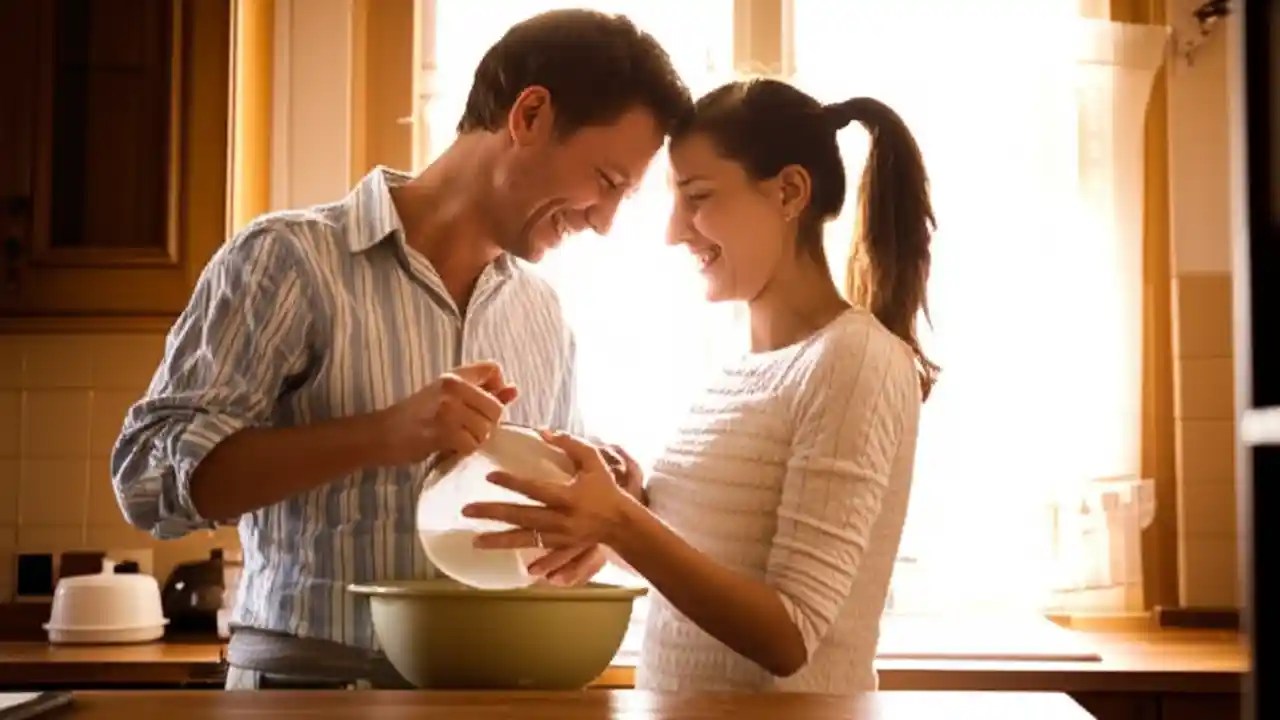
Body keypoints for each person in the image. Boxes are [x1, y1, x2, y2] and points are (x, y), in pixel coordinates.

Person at [110, 9, 691, 690]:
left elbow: (540, 526)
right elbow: (147, 478)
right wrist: (384, 433)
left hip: (490, 693)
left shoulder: (542, 312)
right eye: (608, 181)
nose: (603, 220)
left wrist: (590, 523)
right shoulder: (287, 260)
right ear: (530, 114)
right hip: (305, 697)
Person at [462, 78, 938, 693]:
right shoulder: (740, 369)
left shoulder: (855, 360)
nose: (674, 230)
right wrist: (626, 508)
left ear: (790, 191)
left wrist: (622, 524)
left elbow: (787, 636)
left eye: (699, 197)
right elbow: (713, 572)